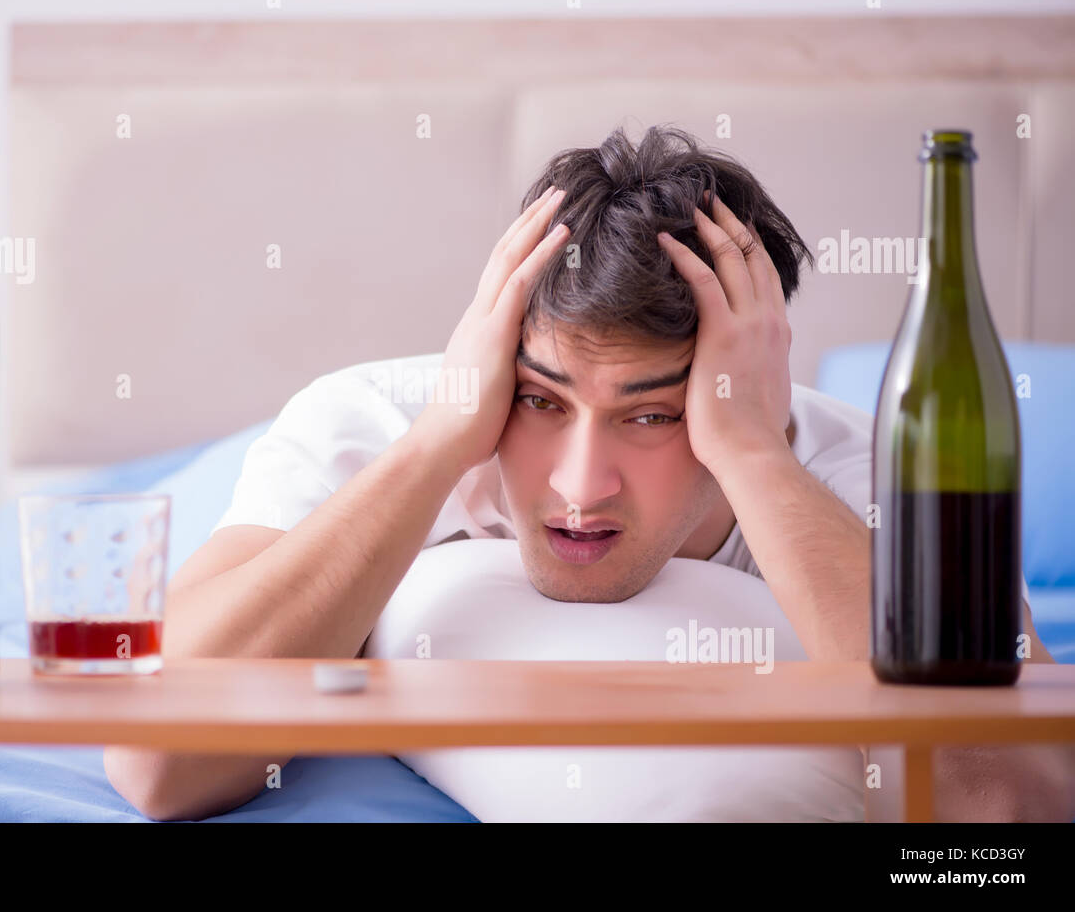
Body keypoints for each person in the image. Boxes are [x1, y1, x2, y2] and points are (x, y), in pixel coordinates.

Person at [103, 125, 1071, 822]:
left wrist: (751, 451)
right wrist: (445, 435)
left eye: (650, 416)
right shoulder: (375, 421)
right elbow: (156, 770)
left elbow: (1003, 813)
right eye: (542, 400)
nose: (579, 485)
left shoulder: (851, 466)